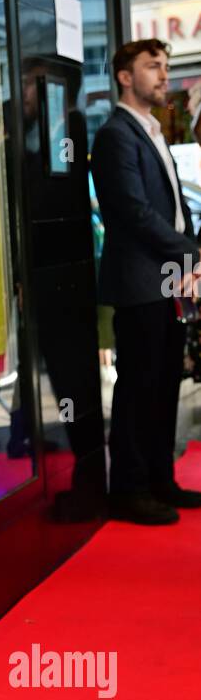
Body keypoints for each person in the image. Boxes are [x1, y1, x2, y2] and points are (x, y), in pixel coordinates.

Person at [90, 39, 201, 525]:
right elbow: (133, 212)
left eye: (165, 66)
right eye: (152, 67)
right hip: (139, 282)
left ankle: (161, 480)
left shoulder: (153, 130)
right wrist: (193, 250)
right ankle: (129, 490)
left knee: (164, 386)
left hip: (170, 280)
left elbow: (175, 209)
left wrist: (190, 255)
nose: (162, 75)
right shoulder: (117, 134)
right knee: (137, 389)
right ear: (124, 76)